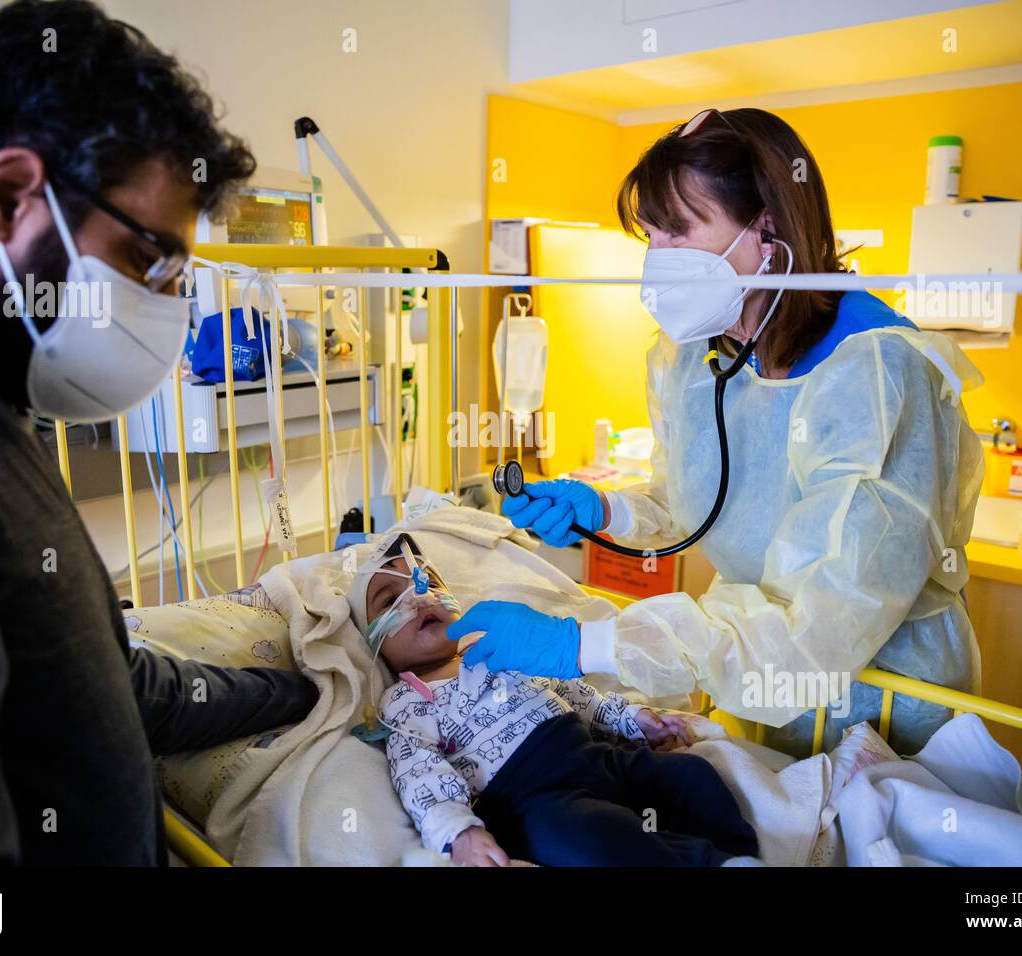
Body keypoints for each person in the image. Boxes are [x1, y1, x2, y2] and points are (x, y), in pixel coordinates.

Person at [0, 0, 318, 864]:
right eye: (148, 261)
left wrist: (302, 688)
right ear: (5, 196)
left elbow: (91, 676)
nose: (169, 308)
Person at [452, 108, 985, 757]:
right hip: (761, 688)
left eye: (678, 233)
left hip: (887, 710)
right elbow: (696, 502)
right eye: (650, 235)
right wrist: (604, 507)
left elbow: (814, 631)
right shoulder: (696, 357)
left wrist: (580, 644)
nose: (657, 261)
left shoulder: (879, 375)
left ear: (767, 228)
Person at [349, 532, 757, 867]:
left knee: (691, 777)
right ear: (372, 643)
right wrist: (460, 834)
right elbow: (418, 773)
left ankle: (738, 855)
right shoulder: (403, 702)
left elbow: (569, 691)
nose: (420, 595)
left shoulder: (496, 647)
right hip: (535, 799)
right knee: (592, 840)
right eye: (390, 600)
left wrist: (632, 720)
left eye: (429, 581)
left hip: (596, 754)